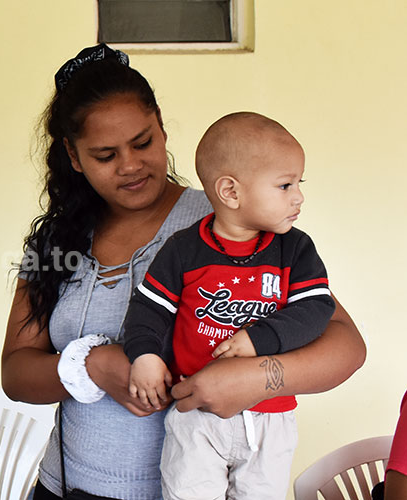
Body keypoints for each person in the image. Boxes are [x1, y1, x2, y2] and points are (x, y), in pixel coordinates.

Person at [0, 44, 365, 500]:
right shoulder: (53, 243)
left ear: (162, 129)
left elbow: (346, 346)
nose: (131, 165)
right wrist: (91, 368)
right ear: (74, 157)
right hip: (67, 488)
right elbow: (15, 375)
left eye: (143, 142)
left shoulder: (228, 221)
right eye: (105, 155)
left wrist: (255, 377)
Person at [122, 112, 336, 499]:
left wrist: (259, 340)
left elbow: (316, 309)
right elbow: (148, 310)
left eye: (298, 184)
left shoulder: (295, 250)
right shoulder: (183, 251)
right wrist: (145, 356)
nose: (298, 196)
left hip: (270, 419)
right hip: (196, 418)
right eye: (285, 185)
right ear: (231, 192)